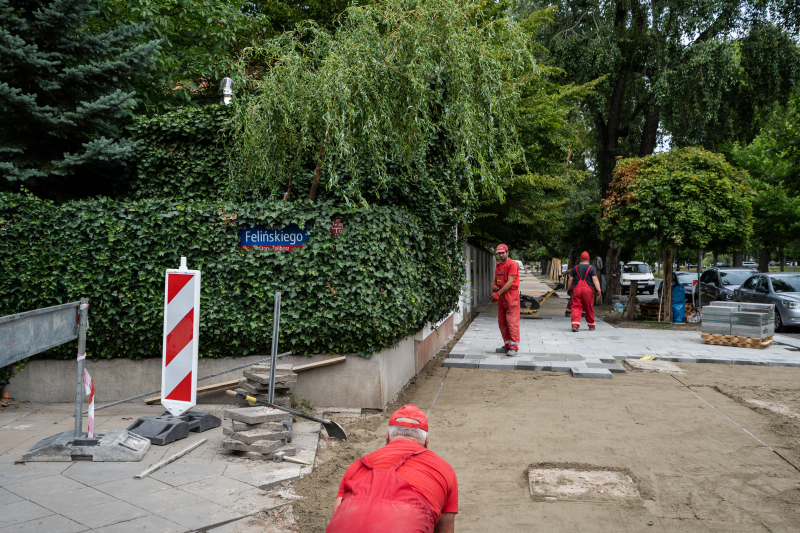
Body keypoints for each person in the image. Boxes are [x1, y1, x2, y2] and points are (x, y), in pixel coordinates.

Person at [326, 405, 458, 533]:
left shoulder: (356, 466)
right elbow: (445, 530)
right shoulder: (446, 470)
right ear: (426, 443)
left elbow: (338, 514)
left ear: (387, 438)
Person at [490, 244, 520, 356]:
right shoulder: (498, 265)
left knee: (511, 321)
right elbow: (494, 279)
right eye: (499, 253)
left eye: (503, 252)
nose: (501, 255)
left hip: (511, 295)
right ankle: (507, 345)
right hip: (501, 295)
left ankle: (514, 347)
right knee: (502, 321)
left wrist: (498, 293)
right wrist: (494, 287)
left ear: (507, 252)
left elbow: (510, 282)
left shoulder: (512, 264)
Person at [565, 251, 602, 332]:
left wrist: (569, 289)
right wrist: (599, 290)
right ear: (588, 258)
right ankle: (591, 325)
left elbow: (570, 279)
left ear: (580, 258)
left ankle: (575, 325)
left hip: (577, 290)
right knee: (589, 307)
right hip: (587, 291)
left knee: (576, 307)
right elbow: (595, 279)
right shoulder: (591, 268)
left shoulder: (575, 268)